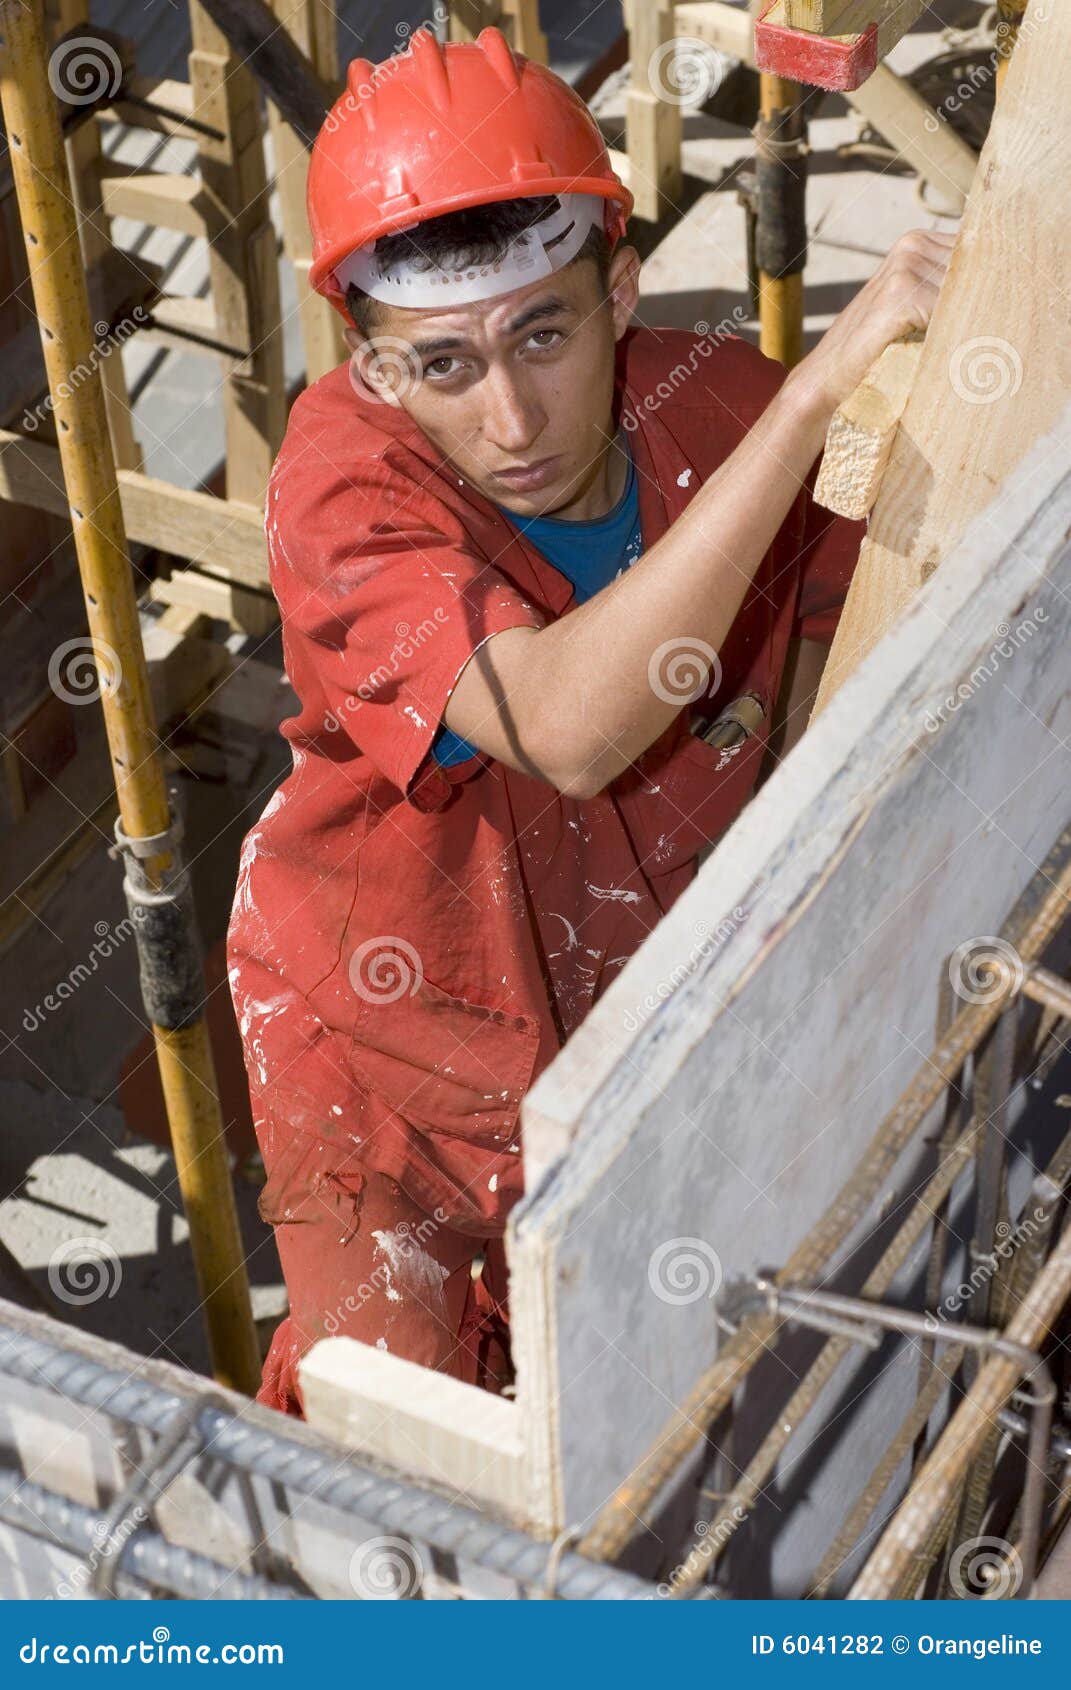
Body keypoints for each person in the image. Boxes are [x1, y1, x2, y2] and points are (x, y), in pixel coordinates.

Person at [227, 25, 954, 1416]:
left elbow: (840, 621)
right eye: (441, 364)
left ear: (619, 291)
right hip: (384, 1059)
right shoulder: (339, 486)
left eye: (544, 333)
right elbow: (568, 728)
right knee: (401, 1443)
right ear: (376, 373)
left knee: (638, 1400)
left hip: (625, 1013)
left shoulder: (711, 413)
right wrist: (812, 397)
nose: (510, 416)